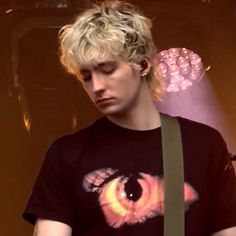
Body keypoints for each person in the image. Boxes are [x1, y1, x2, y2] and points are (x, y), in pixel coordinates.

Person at [23, 0, 236, 235]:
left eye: (107, 69)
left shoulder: (204, 144)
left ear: (143, 64)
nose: (97, 86)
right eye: (86, 76)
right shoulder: (66, 154)